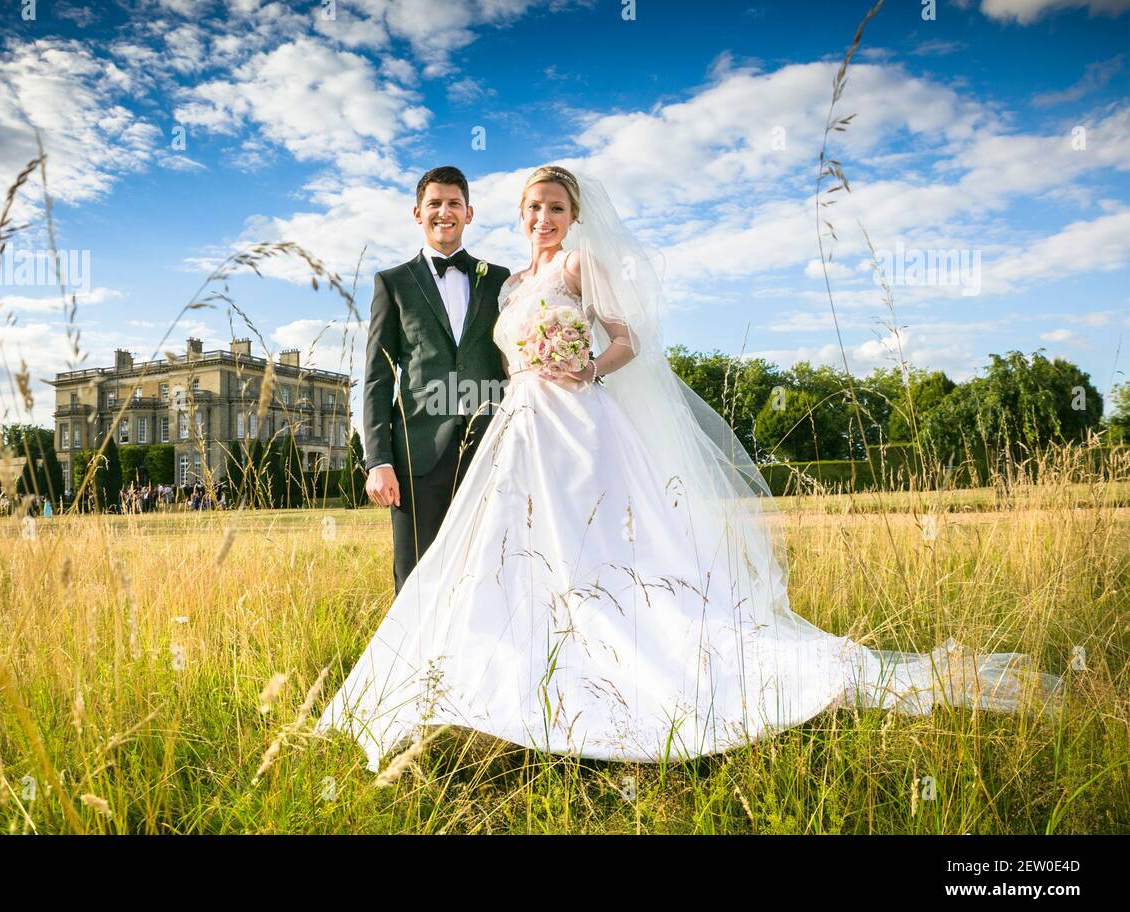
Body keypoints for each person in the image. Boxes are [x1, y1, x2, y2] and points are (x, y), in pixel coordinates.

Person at [316, 165, 1066, 775]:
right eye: (535, 207)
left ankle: (613, 680)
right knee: (506, 561)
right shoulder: (509, 284)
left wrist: (584, 363)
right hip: (517, 431)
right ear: (513, 215)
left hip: (580, 427)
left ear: (571, 213)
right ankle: (497, 682)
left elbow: (627, 337)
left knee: (597, 554)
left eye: (555, 206)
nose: (544, 218)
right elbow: (424, 367)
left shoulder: (579, 262)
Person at [361, 166, 511, 594]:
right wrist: (379, 460)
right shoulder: (392, 283)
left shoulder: (500, 279)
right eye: (434, 204)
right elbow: (375, 376)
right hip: (416, 453)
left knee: (487, 572)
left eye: (454, 204)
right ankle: (416, 663)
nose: (444, 212)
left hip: (491, 451)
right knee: (416, 579)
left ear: (469, 213)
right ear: (417, 213)